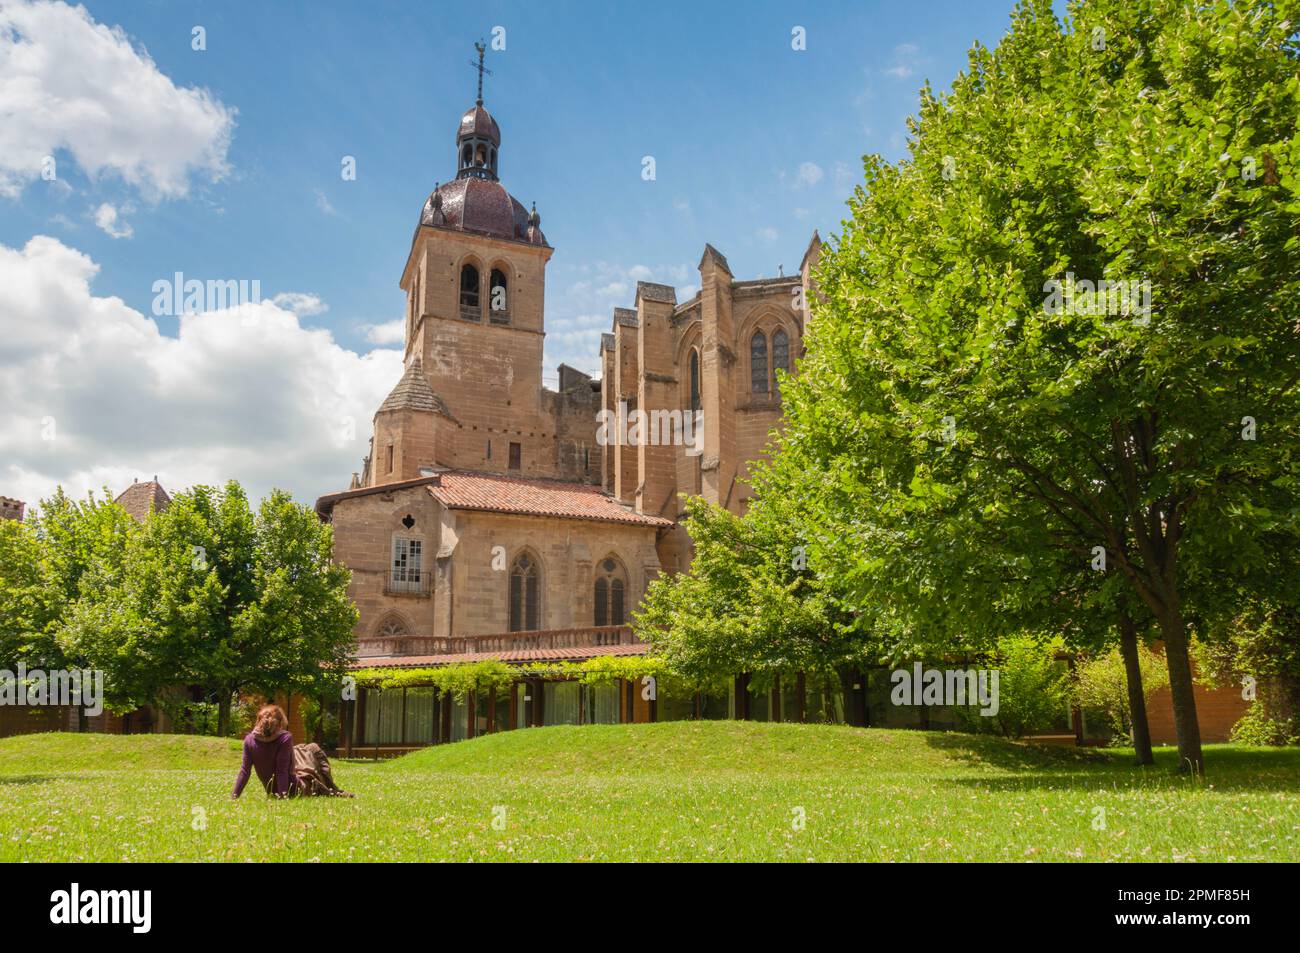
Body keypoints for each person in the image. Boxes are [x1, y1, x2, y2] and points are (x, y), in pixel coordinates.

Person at [231, 704, 353, 799]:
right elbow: (281, 771)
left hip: (272, 790)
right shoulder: (285, 738)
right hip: (295, 789)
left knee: (301, 748)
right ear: (279, 724)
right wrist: (283, 797)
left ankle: (330, 787)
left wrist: (234, 796)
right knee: (313, 748)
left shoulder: (249, 740)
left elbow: (245, 771)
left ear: (258, 721)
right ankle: (332, 788)